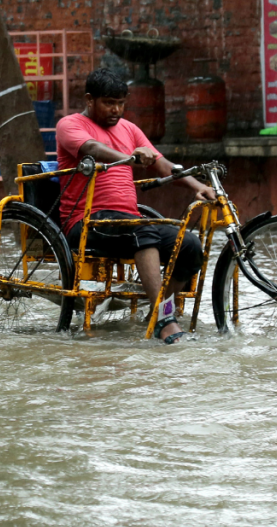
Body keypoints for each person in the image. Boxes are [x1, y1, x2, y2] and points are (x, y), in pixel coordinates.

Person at [55, 67, 216, 344]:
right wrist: (130, 157)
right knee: (142, 231)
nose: (116, 110)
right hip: (86, 222)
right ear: (90, 99)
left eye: (121, 103)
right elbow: (91, 148)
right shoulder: (70, 124)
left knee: (189, 245)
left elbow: (162, 165)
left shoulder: (129, 128)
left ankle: (158, 312)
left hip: (127, 221)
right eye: (109, 103)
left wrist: (197, 185)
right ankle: (164, 320)